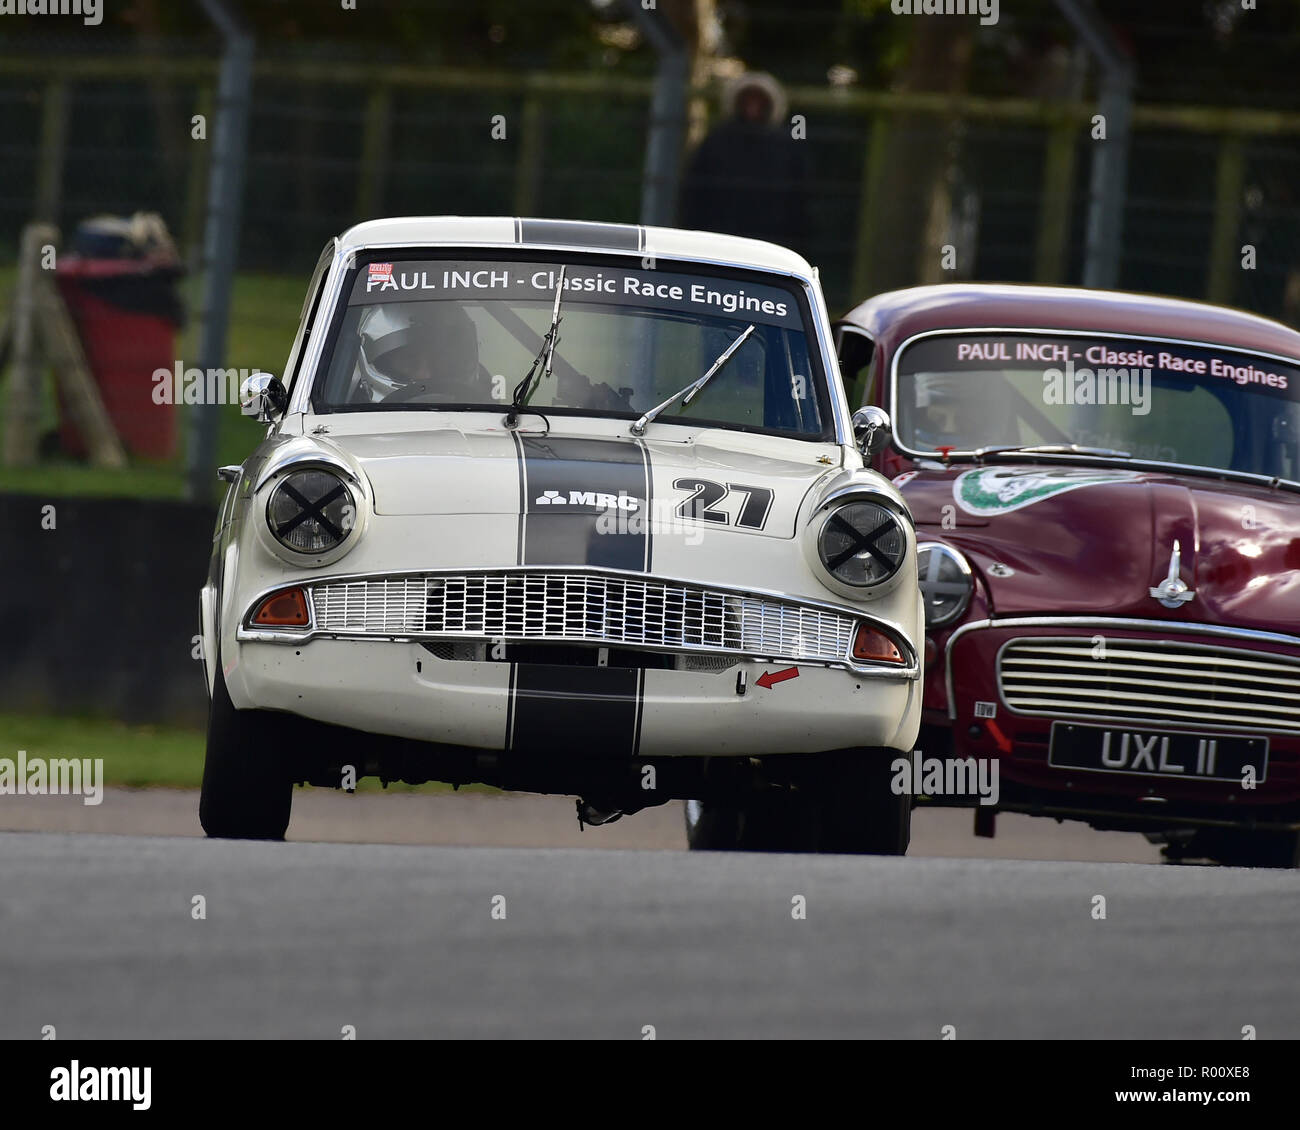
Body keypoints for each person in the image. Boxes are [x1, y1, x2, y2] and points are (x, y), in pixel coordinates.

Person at [679, 72, 810, 253]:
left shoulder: (787, 147)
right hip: (719, 235)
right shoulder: (717, 141)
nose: (752, 109)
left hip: (772, 241)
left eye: (759, 102)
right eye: (747, 101)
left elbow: (798, 202)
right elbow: (695, 193)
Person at [354, 302, 483, 404]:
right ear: (383, 364)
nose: (425, 375)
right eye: (410, 360)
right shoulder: (344, 422)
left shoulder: (495, 411)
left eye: (438, 357)